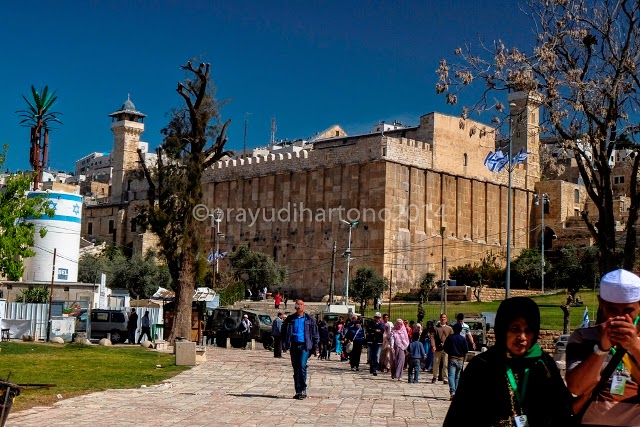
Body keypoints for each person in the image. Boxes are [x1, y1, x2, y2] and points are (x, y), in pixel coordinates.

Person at [444, 297, 572, 427]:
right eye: (515, 329)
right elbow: (459, 417)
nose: (522, 337)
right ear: (502, 329)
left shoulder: (544, 365)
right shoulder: (482, 365)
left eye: (528, 330)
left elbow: (562, 411)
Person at [566, 269, 640, 425]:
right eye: (613, 309)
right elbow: (576, 388)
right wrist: (602, 348)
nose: (620, 317)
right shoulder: (582, 338)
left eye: (628, 310)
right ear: (601, 303)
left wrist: (634, 346)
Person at [282, 299, 319, 399]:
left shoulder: (309, 319)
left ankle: (303, 389)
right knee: (296, 368)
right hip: (294, 345)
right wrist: (284, 342)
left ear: (304, 306)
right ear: (295, 306)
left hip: (305, 346)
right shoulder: (290, 319)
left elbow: (315, 334)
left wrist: (316, 348)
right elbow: (283, 330)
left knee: (302, 365)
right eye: (297, 304)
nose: (299, 306)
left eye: (301, 304)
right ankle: (298, 391)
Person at [443, 322, 468, 399]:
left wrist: (450, 352)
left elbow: (445, 348)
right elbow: (466, 349)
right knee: (457, 376)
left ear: (453, 329)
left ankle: (452, 392)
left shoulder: (450, 338)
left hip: (452, 358)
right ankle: (456, 392)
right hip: (460, 359)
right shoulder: (463, 339)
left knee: (451, 375)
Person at [432, 313, 453, 384]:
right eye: (441, 317)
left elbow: (452, 338)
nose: (443, 319)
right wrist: (433, 346)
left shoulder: (449, 329)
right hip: (438, 349)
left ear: (446, 319)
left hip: (446, 349)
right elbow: (432, 337)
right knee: (436, 363)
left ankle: (445, 378)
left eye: (444, 317)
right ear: (440, 318)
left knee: (446, 364)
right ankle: (435, 376)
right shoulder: (435, 328)